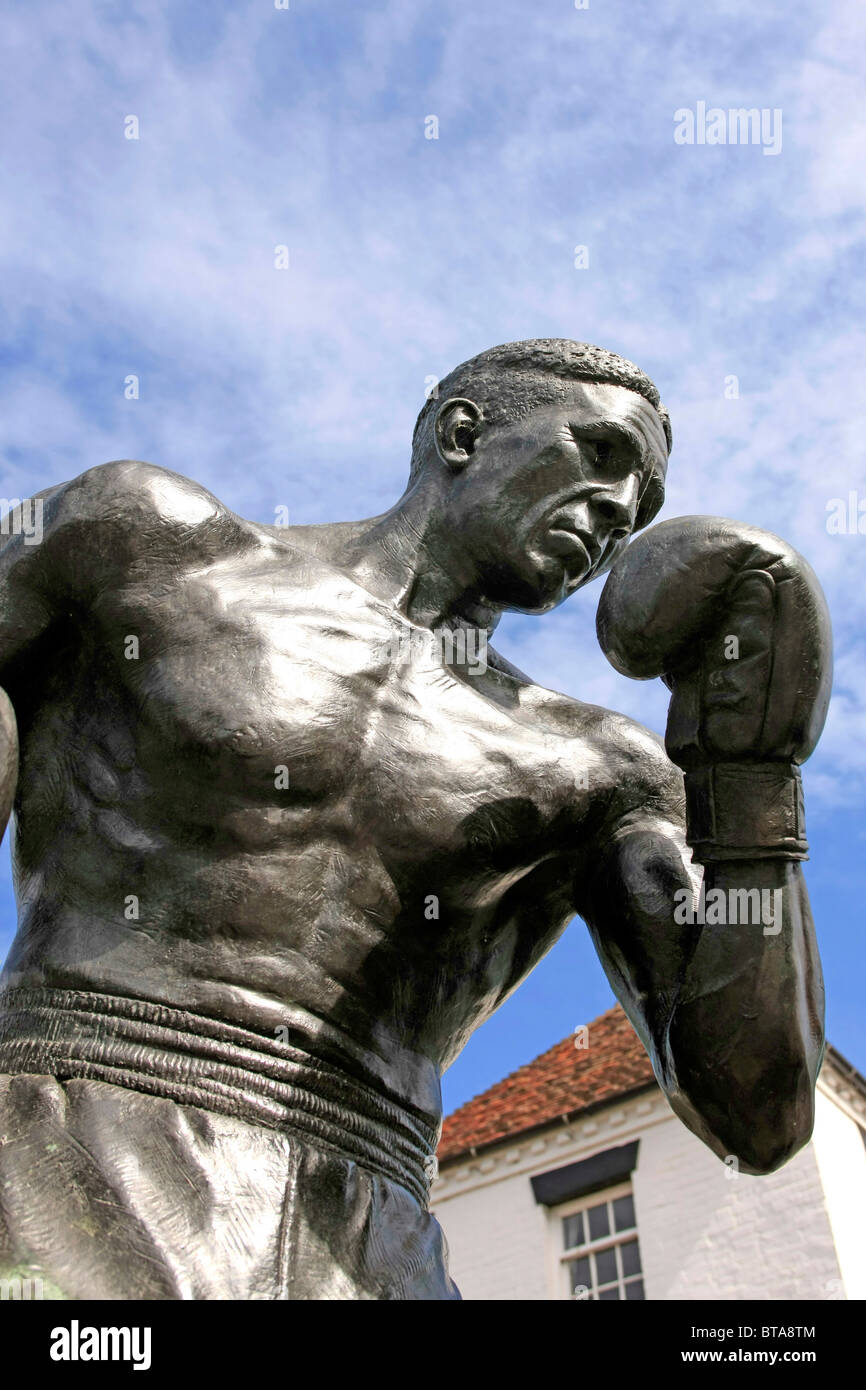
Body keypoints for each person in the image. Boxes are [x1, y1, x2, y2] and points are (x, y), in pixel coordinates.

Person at [0, 339, 830, 1299]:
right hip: (67, 1146)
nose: (617, 511)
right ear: (462, 431)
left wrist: (751, 775)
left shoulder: (598, 768)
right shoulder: (147, 541)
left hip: (374, 1234)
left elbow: (756, 1116)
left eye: (642, 505)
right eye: (601, 454)